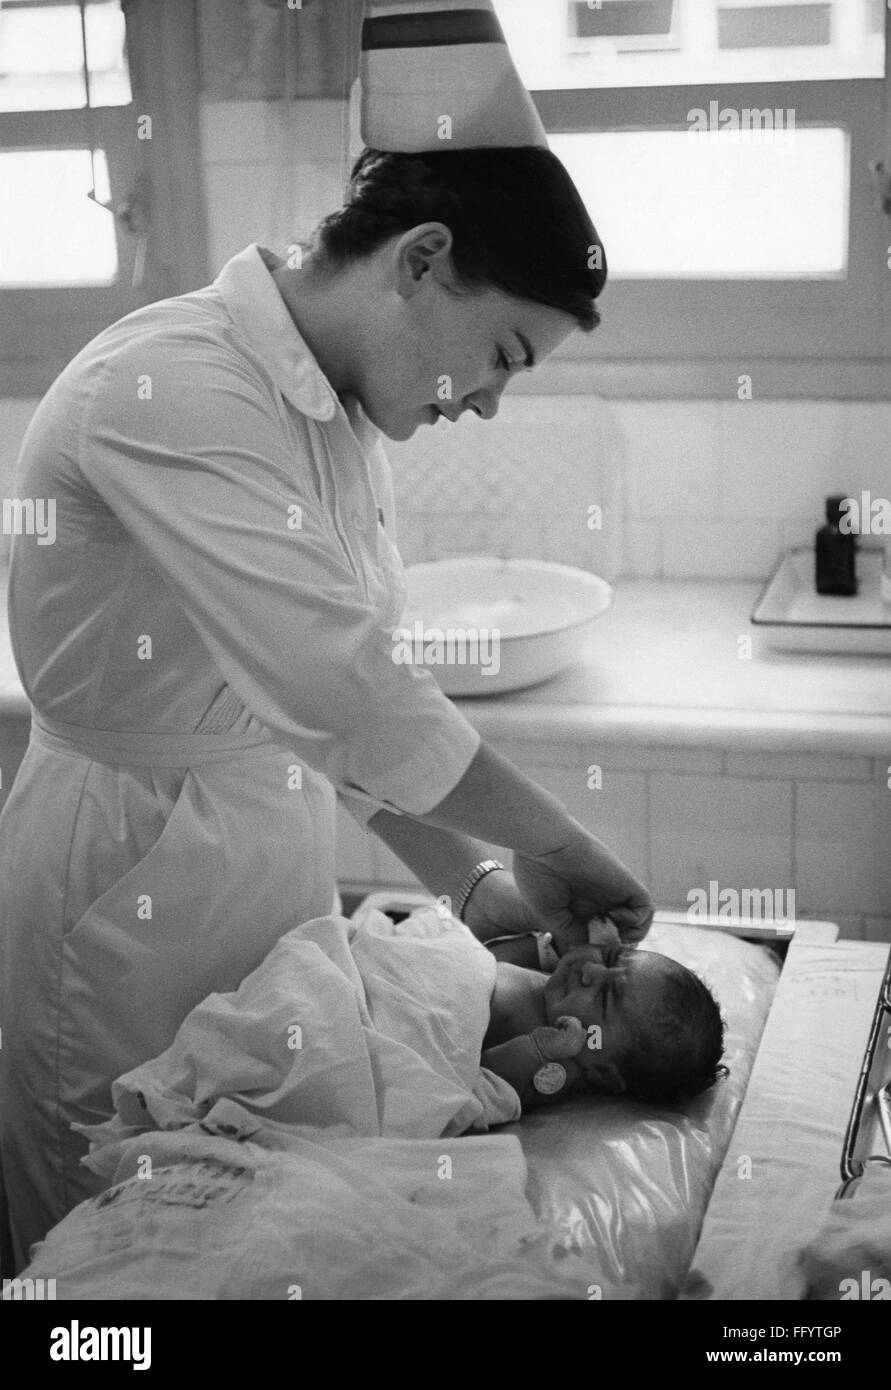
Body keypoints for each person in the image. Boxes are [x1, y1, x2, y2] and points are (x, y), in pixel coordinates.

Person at [0, 0, 654, 1273]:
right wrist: (566, 848)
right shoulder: (177, 390)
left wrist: (479, 889)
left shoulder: (341, 425)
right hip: (123, 888)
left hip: (265, 892)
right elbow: (344, 686)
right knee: (117, 1254)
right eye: (502, 354)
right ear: (422, 258)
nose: (486, 402)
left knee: (249, 1237)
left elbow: (329, 718)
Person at [482, 938, 728, 1111]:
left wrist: (536, 1049)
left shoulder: (558, 1067)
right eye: (610, 957)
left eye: (603, 998)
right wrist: (544, 946)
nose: (589, 969)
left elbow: (488, 1088)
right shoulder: (557, 986)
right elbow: (488, 955)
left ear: (603, 1073)